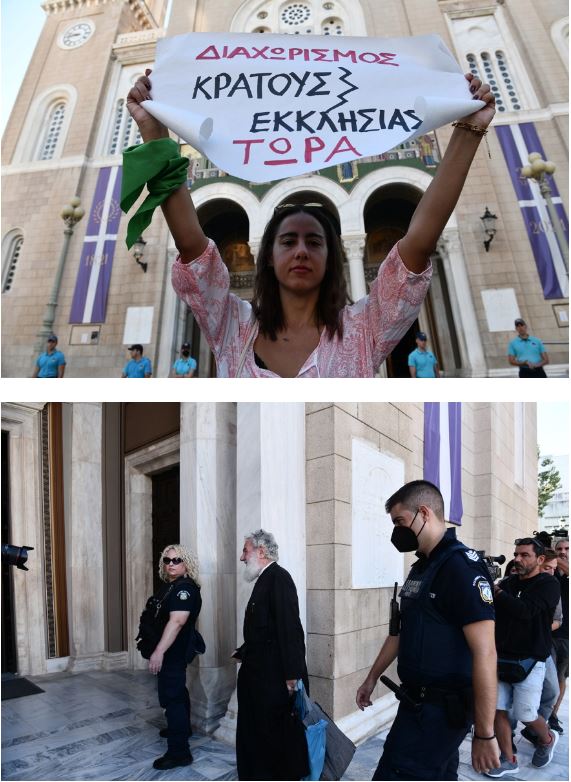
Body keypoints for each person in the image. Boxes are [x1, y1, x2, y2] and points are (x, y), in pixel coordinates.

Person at [124, 70, 495, 377]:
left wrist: (468, 131)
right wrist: (154, 134)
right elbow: (192, 246)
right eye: (288, 241)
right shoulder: (232, 328)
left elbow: (418, 242)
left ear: (332, 255)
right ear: (267, 255)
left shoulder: (363, 330)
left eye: (314, 242)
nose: (301, 250)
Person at [355, 480, 499, 780]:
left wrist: (485, 734)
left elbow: (485, 652)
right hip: (417, 704)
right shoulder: (421, 567)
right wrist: (370, 678)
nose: (396, 531)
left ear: (424, 513)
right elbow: (399, 634)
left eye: (400, 521)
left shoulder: (461, 567)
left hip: (441, 711)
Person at [234, 529, 309, 780]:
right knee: (258, 735)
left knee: (271, 737)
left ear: (261, 551)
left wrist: (292, 676)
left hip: (273, 679)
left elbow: (289, 630)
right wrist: (244, 651)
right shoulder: (265, 580)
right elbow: (266, 630)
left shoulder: (279, 578)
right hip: (259, 676)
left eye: (245, 551)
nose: (242, 557)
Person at [487, 538, 561, 777]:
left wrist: (496, 592)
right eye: (516, 554)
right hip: (501, 658)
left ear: (540, 560)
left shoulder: (549, 585)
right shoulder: (507, 583)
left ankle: (547, 738)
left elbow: (525, 611)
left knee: (525, 713)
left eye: (524, 555)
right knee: (498, 710)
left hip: (531, 660)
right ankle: (508, 759)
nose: (517, 559)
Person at [148, 544, 202, 770]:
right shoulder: (172, 586)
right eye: (167, 560)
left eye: (177, 560)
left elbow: (177, 621)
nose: (171, 564)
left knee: (173, 698)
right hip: (171, 650)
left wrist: (159, 651)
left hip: (173, 652)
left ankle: (179, 752)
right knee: (176, 692)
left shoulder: (184, 589)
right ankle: (182, 729)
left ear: (186, 564)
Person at [519, 550, 562, 747]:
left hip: (541, 648)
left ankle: (537, 732)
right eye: (547, 568)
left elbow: (557, 620)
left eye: (554, 569)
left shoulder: (553, 587)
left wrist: (537, 627)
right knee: (508, 706)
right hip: (513, 651)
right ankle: (507, 741)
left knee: (551, 691)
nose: (551, 573)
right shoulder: (516, 583)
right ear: (538, 563)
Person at [550, 538, 569, 733]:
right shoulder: (551, 569)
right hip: (549, 632)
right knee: (549, 678)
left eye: (566, 548)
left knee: (560, 676)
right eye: (559, 549)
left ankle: (553, 715)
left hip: (566, 635)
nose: (563, 552)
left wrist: (552, 554)